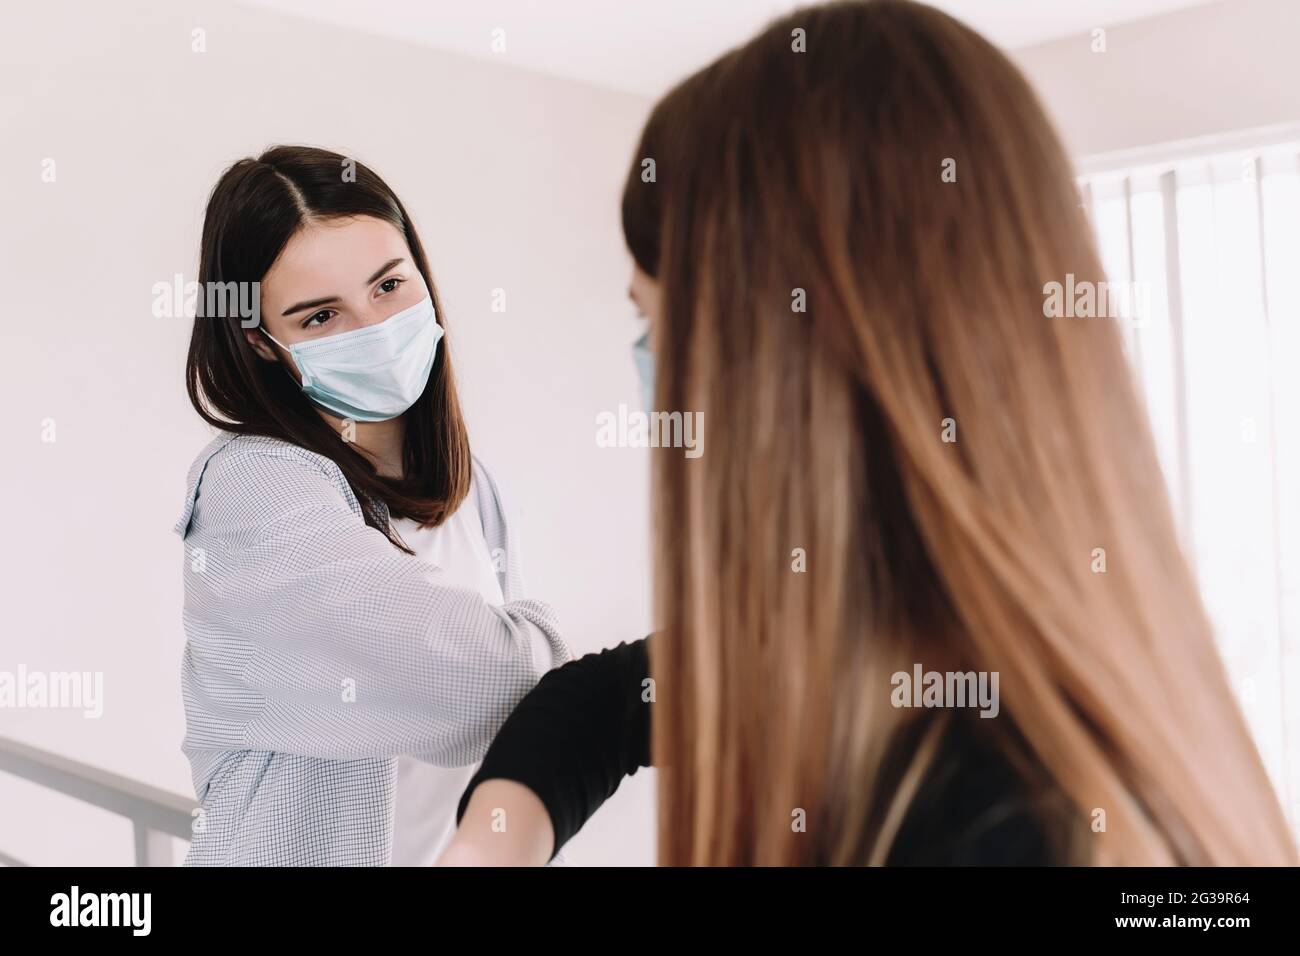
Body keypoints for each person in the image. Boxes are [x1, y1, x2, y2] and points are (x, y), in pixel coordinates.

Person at [440, 0, 1297, 866]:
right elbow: (607, 703)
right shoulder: (865, 653)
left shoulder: (999, 828)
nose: (648, 373)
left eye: (659, 331)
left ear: (783, 362)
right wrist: (487, 845)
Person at [176, 145, 567, 865]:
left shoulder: (473, 488)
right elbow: (492, 685)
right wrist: (561, 659)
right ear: (262, 343)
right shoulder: (252, 490)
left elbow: (510, 731)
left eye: (389, 286)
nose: (374, 328)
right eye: (320, 317)